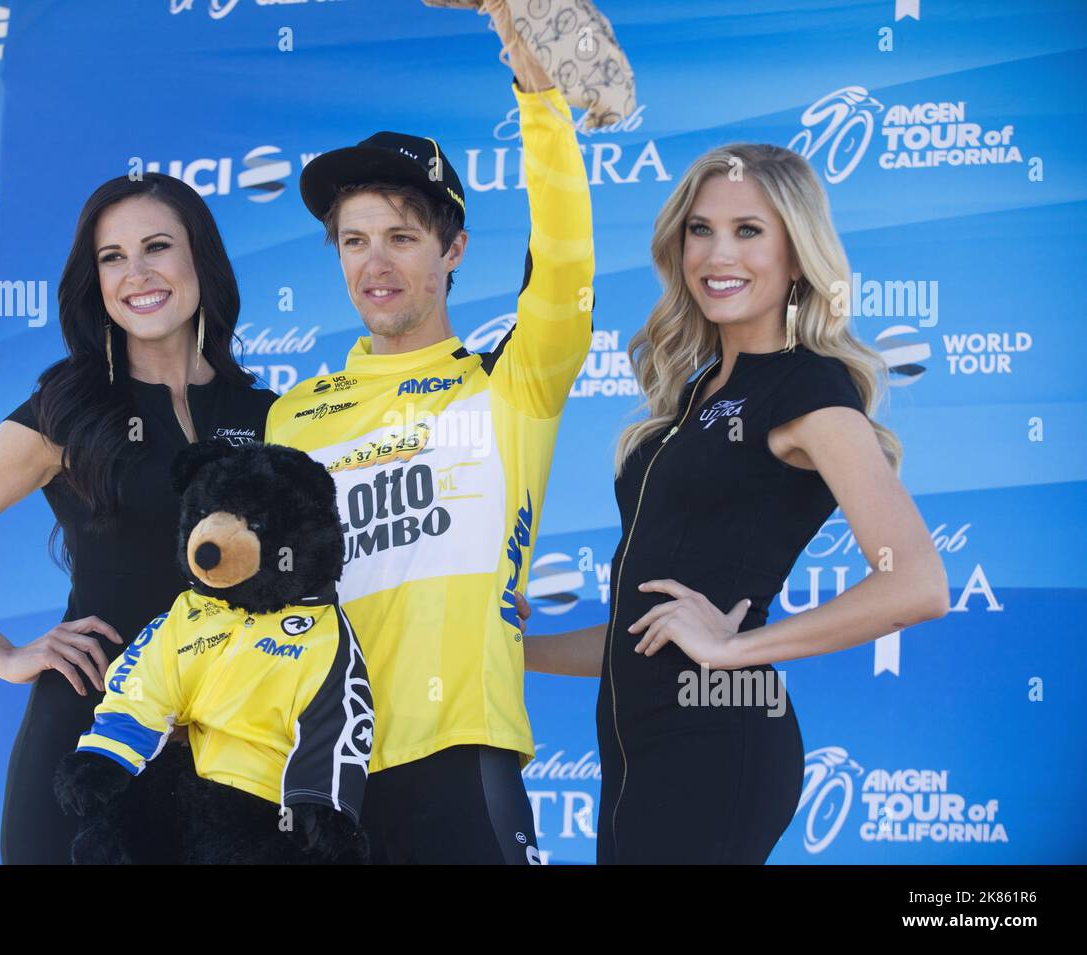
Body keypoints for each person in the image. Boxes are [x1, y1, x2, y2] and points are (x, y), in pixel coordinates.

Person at [524, 143, 950, 864]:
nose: (718, 253)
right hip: (639, 755)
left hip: (718, 747)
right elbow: (647, 634)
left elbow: (916, 582)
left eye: (749, 230)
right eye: (700, 229)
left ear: (795, 251)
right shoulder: (696, 394)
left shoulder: (807, 388)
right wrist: (509, 653)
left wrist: (734, 648)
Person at [264, 2, 594, 864]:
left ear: (452, 250)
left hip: (458, 755)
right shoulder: (291, 417)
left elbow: (562, 267)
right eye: (354, 240)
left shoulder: (509, 382)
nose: (374, 264)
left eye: (402, 237)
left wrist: (538, 94)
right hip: (316, 779)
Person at [0, 172, 277, 864]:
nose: (137, 274)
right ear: (93, 280)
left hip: (230, 760)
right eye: (112, 257)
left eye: (157, 246)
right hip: (83, 751)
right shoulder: (67, 411)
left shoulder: (268, 415)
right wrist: (4, 656)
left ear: (200, 260)